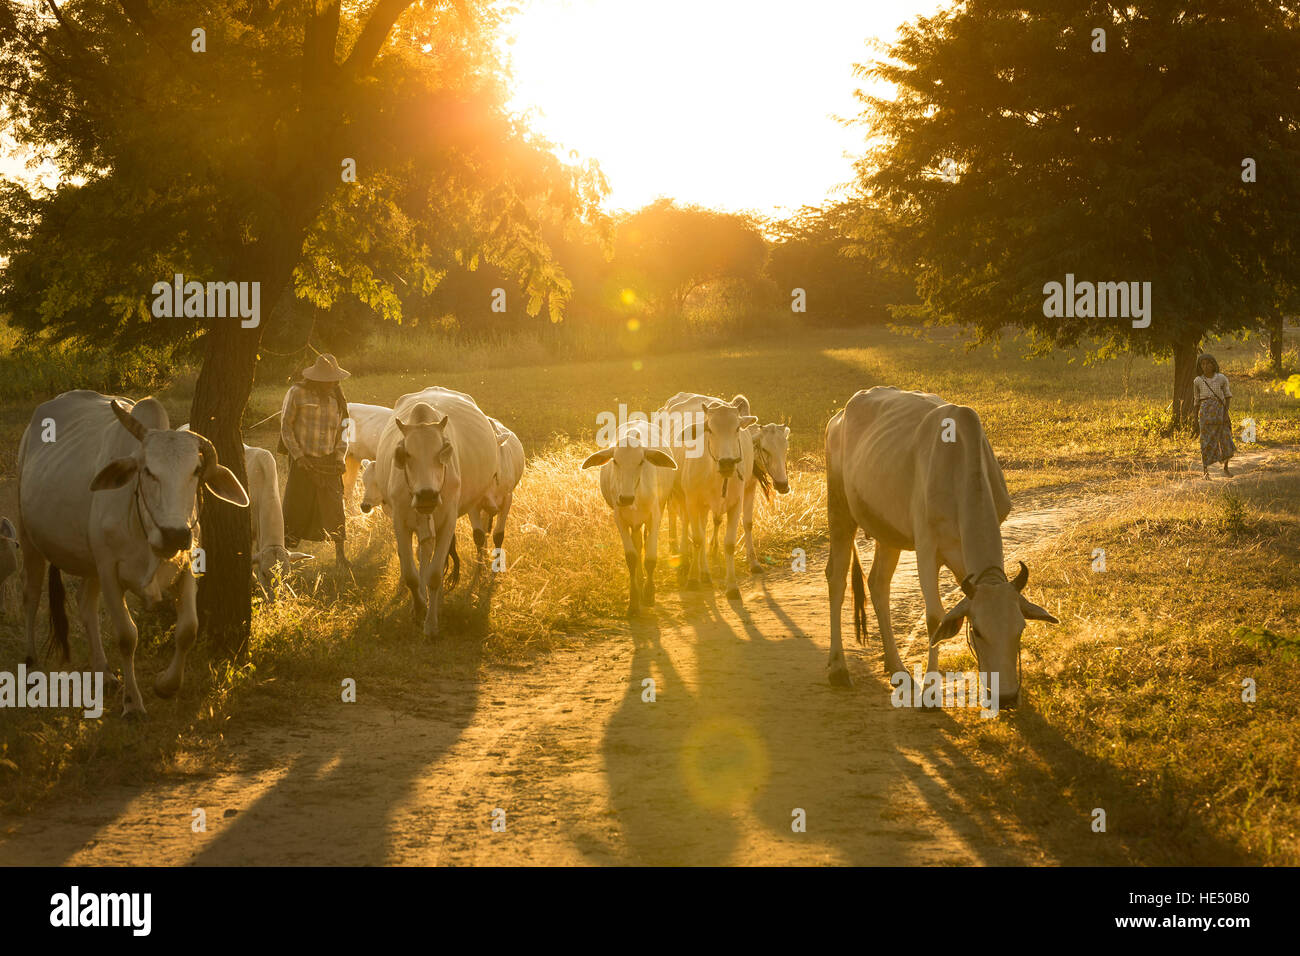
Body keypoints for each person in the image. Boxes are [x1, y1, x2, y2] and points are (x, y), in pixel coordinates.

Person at [281, 353, 351, 568]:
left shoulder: (338, 398)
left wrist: (340, 457)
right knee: (296, 507)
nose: (332, 383)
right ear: (316, 380)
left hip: (329, 461)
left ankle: (340, 556)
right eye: (327, 380)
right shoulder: (297, 393)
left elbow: (345, 430)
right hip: (304, 461)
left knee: (334, 508)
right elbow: (286, 426)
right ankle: (284, 556)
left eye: (333, 380)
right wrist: (298, 456)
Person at [1193, 353, 1235, 479]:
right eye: (1203, 364)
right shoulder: (1198, 381)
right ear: (1200, 366)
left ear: (1214, 364)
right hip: (1205, 414)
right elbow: (1196, 401)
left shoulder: (1221, 378)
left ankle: (1226, 468)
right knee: (1206, 442)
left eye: (1208, 363)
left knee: (1226, 440)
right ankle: (1205, 471)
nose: (1206, 366)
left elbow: (1227, 396)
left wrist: (1225, 413)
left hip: (1220, 413)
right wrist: (1195, 419)